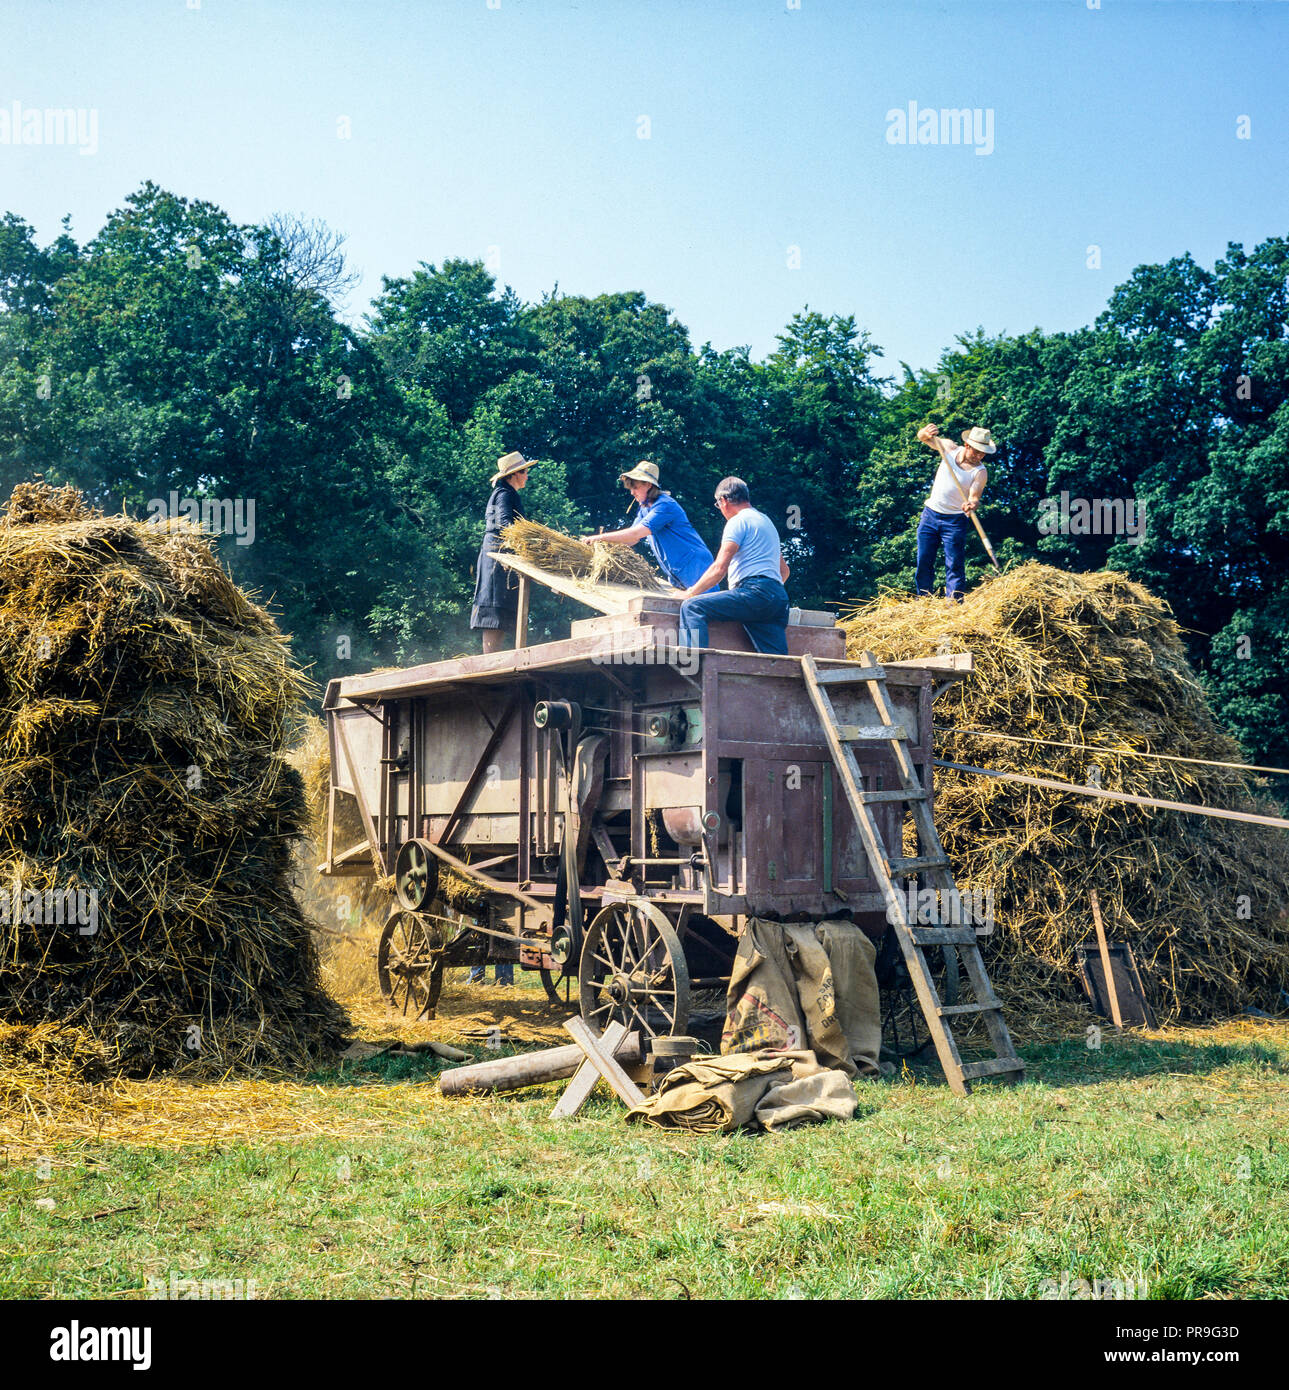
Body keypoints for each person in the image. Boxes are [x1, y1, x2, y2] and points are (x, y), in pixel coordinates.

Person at [677, 477, 791, 654]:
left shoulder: (737, 522)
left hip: (754, 592)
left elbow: (719, 568)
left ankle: (693, 669)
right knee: (776, 663)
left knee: (692, 607)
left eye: (718, 505)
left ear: (723, 500)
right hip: (778, 599)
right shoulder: (766, 522)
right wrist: (768, 592)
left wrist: (689, 593)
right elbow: (784, 571)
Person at [579, 460, 713, 590]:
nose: (632, 492)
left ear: (648, 485)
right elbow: (631, 539)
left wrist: (599, 538)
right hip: (680, 571)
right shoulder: (644, 509)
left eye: (635, 487)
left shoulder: (665, 505)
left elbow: (636, 533)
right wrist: (600, 548)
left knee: (705, 608)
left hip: (696, 566)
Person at [914, 424, 995, 602]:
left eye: (983, 453)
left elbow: (974, 496)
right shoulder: (949, 448)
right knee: (924, 560)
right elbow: (923, 437)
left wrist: (971, 504)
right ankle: (923, 600)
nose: (980, 456)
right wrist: (925, 433)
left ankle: (955, 604)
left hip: (954, 521)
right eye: (977, 451)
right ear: (967, 446)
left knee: (954, 564)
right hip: (931, 515)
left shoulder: (980, 472)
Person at [470, 451, 534, 654]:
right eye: (524, 471)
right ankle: (490, 662)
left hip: (501, 555)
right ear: (514, 474)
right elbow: (505, 525)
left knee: (501, 608)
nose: (527, 475)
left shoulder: (506, 492)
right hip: (497, 556)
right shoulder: (504, 494)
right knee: (494, 609)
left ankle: (493, 658)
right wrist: (529, 547)